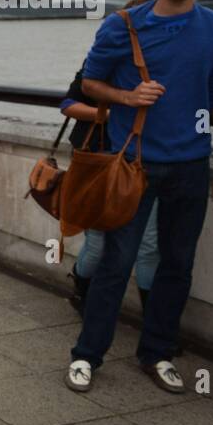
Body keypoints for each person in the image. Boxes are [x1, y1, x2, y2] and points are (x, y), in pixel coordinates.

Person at [67, 0, 213, 395]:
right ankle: (87, 355)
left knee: (177, 265)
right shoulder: (122, 25)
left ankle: (157, 352)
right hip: (135, 167)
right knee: (115, 263)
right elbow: (89, 85)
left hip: (191, 166)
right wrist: (127, 96)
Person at [60, 62, 158, 313]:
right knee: (98, 242)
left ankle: (153, 321)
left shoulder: (162, 63)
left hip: (144, 163)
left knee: (149, 244)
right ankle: (82, 292)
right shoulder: (102, 59)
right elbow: (68, 105)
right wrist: (110, 115)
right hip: (99, 161)